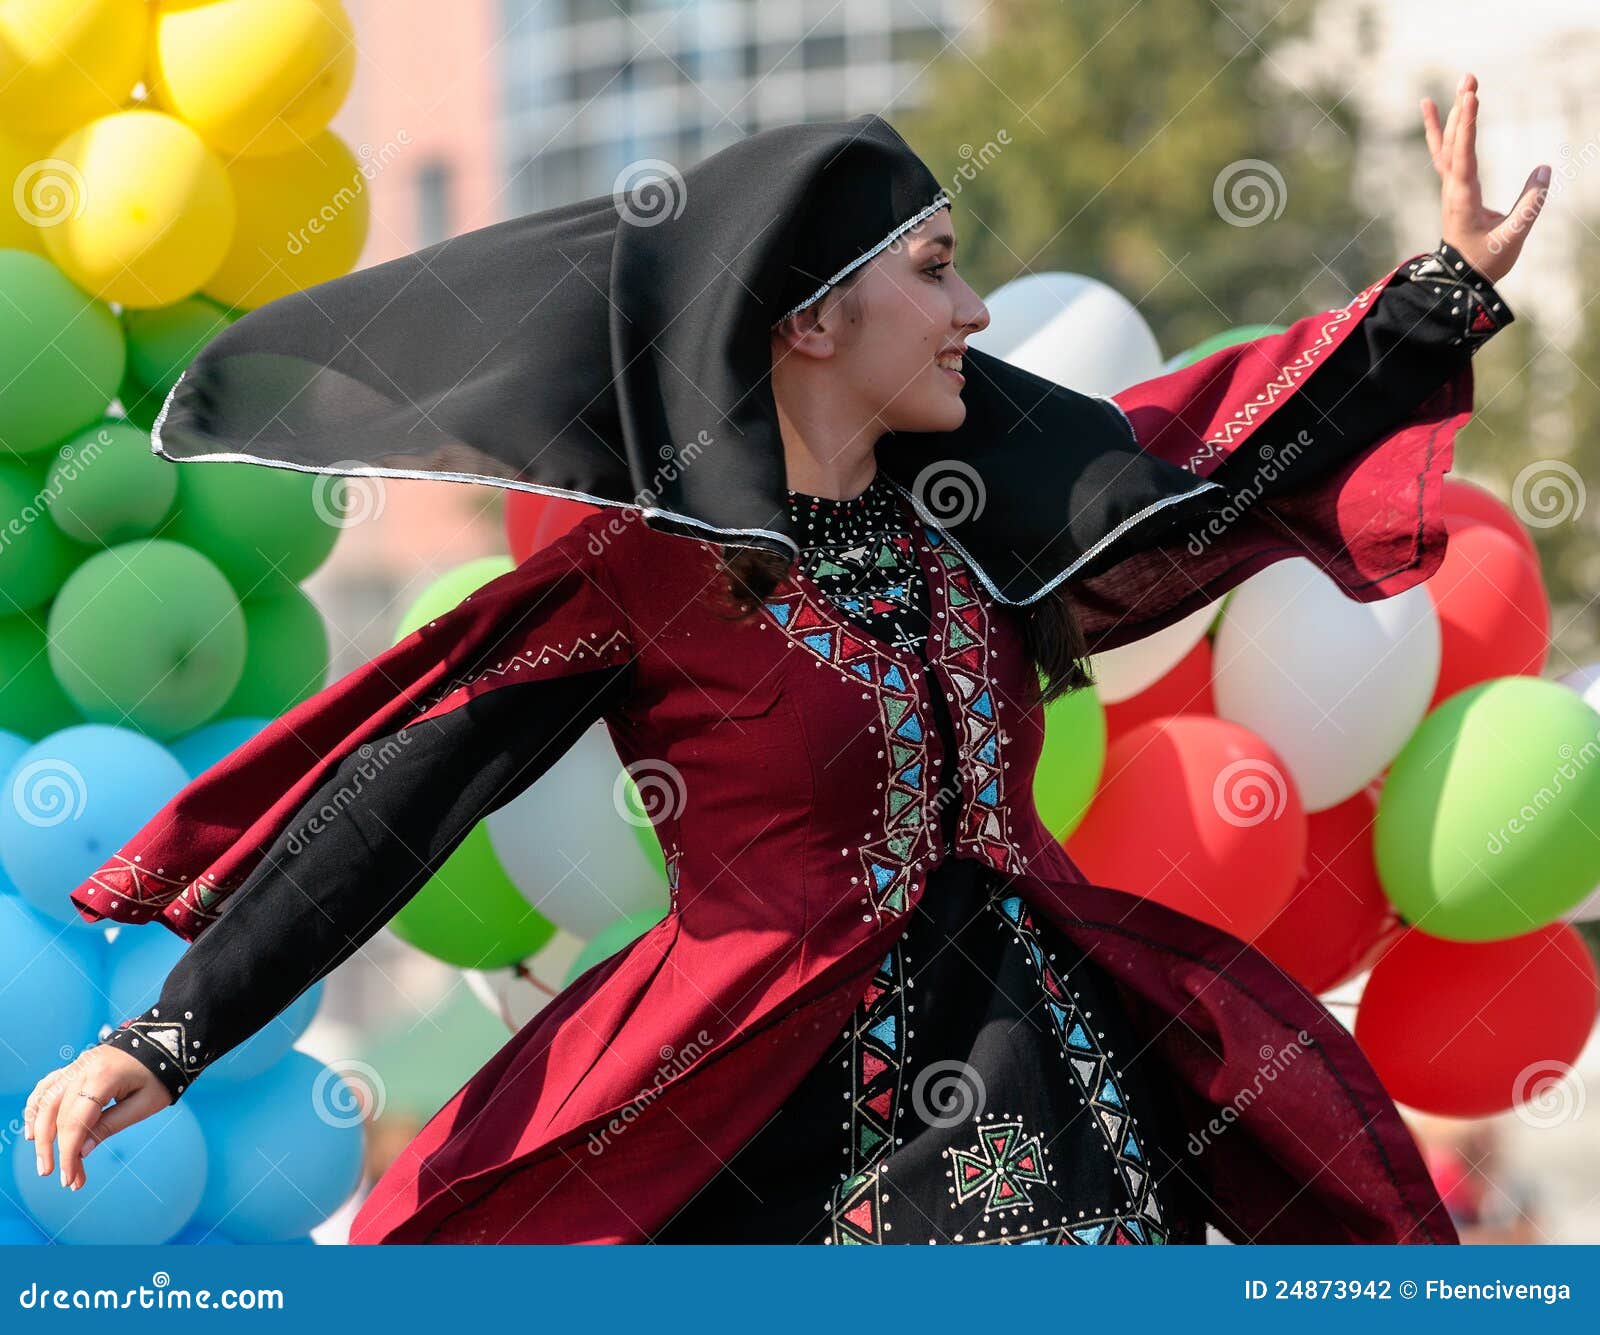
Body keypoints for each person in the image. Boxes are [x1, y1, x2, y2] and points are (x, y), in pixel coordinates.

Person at [25, 74, 1545, 1245]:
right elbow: (398, 796)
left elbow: (1208, 460)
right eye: (936, 270)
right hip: (749, 1113)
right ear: (810, 316)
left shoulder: (982, 522)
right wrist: (172, 1036)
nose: (976, 310)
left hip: (1049, 1091)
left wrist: (1436, 300)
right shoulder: (643, 579)